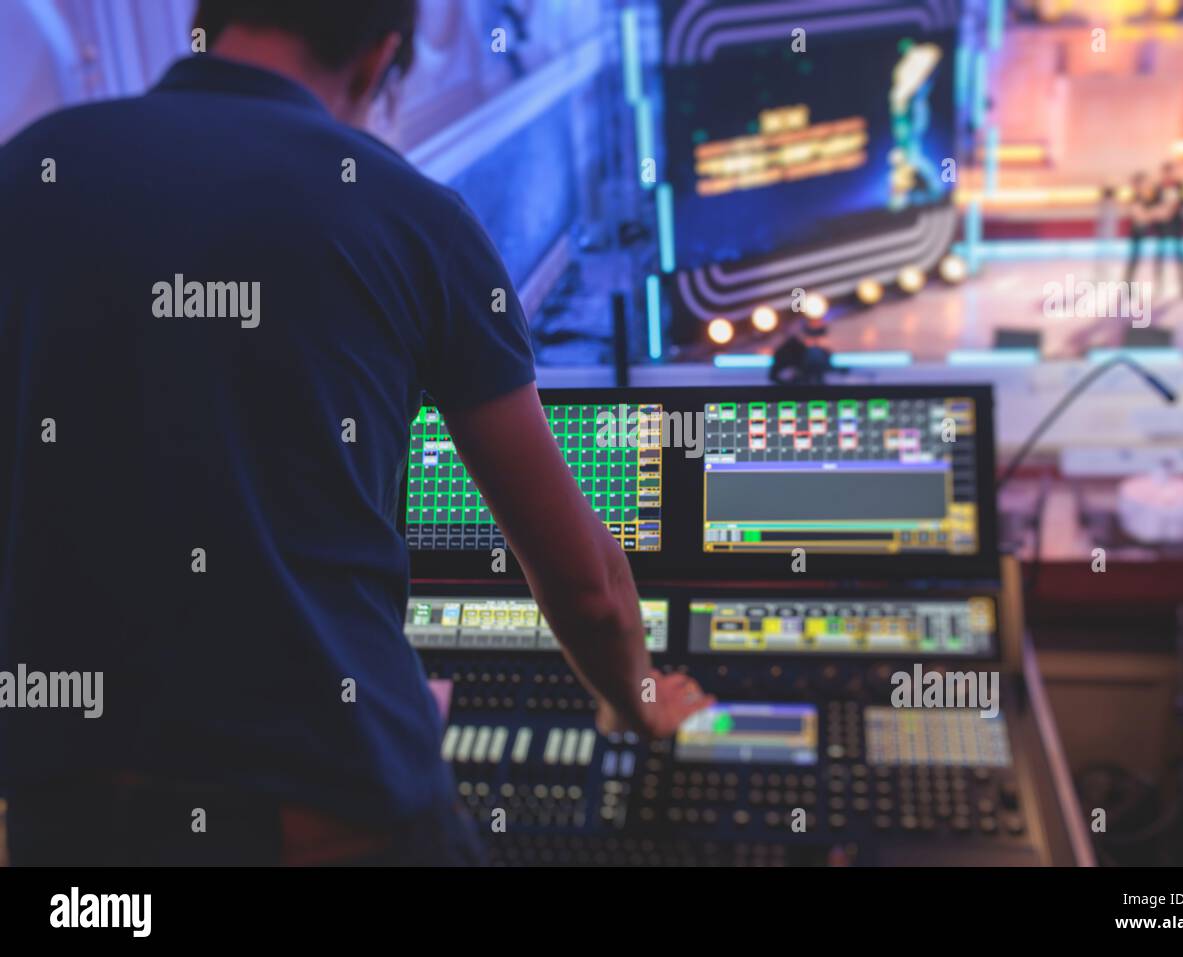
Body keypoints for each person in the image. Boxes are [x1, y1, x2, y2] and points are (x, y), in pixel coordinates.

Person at [0, 0, 711, 866]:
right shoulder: (413, 213)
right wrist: (634, 699)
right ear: (380, 61)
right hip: (329, 810)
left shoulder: (29, 168)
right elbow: (586, 585)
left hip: (70, 826)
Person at [1154, 161, 1183, 297]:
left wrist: (1175, 208)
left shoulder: (1179, 186)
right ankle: (1159, 286)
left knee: (1180, 257)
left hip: (1176, 226)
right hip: (1162, 227)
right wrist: (1161, 213)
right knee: (1160, 257)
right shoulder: (1158, 188)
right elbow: (1153, 206)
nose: (1168, 175)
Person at [1123, 172, 1153, 285]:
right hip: (1137, 231)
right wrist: (1151, 214)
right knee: (1134, 260)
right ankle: (1128, 284)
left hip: (1141, 231)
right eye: (1143, 183)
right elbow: (1139, 215)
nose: (1146, 185)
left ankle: (1128, 283)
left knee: (1135, 260)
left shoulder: (1143, 198)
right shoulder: (1136, 198)